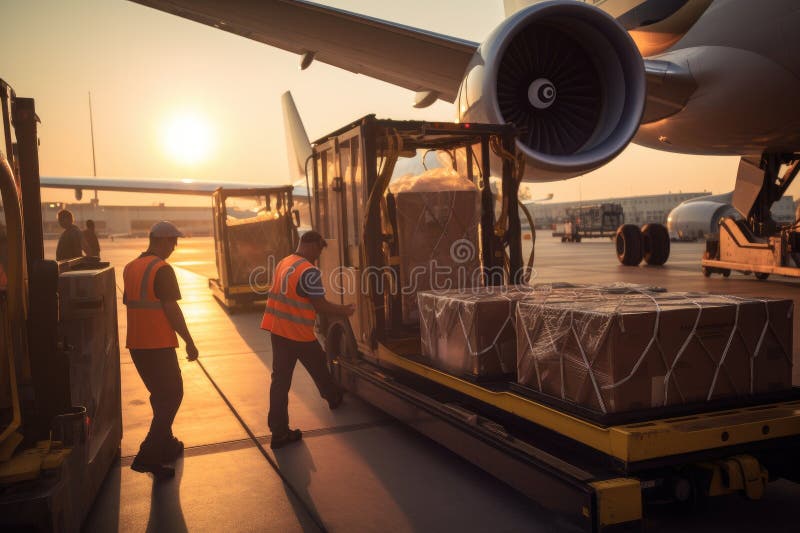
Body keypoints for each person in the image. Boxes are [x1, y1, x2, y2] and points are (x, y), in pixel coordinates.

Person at [261, 230, 354, 449]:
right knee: (319, 365)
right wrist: (344, 310)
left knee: (280, 382)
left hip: (278, 329)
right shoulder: (308, 271)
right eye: (319, 249)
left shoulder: (285, 262)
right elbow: (319, 305)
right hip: (297, 333)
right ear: (311, 245)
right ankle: (333, 397)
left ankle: (278, 432)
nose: (318, 255)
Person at [123, 220, 199, 479]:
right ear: (161, 240)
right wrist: (189, 340)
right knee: (172, 395)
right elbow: (171, 309)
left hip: (137, 345)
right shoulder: (162, 269)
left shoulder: (131, 267)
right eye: (173, 242)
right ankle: (148, 455)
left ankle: (165, 444)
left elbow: (132, 303)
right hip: (157, 344)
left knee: (160, 396)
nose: (174, 247)